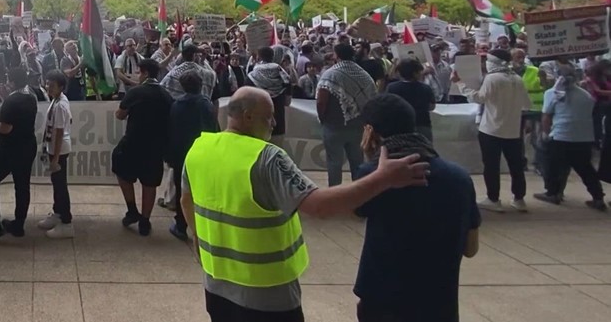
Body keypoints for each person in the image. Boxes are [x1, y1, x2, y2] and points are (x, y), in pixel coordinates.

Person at [181, 87, 431, 322]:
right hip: (267, 294)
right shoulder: (267, 157)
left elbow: (186, 200)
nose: (274, 123)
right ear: (247, 117)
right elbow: (318, 206)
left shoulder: (199, 148)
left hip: (216, 285)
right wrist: (382, 178)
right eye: (269, 117)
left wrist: (199, 241)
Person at [352, 94, 480, 322]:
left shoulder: (374, 177)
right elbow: (471, 249)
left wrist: (369, 160)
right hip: (440, 304)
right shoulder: (459, 177)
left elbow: (356, 209)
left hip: (384, 301)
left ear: (370, 131)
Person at [454, 49, 532, 213]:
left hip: (491, 129)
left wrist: (461, 84)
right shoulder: (517, 79)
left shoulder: (492, 78)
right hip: (513, 130)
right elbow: (527, 104)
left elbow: (479, 98)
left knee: (491, 166)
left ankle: (493, 198)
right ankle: (519, 198)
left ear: (493, 62)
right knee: (516, 165)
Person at [110, 57, 173, 236]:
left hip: (133, 143)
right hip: (156, 146)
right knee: (150, 183)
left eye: (139, 72)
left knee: (121, 170)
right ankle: (145, 221)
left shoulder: (136, 92)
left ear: (144, 73)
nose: (137, 75)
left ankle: (132, 210)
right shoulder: (165, 94)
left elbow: (120, 115)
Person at [533, 63, 607, 210]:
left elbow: (546, 117)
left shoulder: (553, 93)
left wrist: (545, 134)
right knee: (586, 169)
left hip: (561, 135)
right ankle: (598, 197)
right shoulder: (585, 95)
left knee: (553, 167)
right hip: (583, 137)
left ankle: (553, 193)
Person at [0, 67, 39, 241]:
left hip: (11, 149)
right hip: (28, 145)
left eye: (8, 80)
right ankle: (18, 225)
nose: (5, 82)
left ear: (12, 82)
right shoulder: (31, 95)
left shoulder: (13, 101)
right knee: (22, 186)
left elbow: (6, 128)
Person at [167, 70, 218, 242]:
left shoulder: (176, 105)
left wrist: (170, 155)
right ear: (201, 85)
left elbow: (172, 132)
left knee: (183, 190)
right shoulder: (206, 104)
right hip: (202, 153)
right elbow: (212, 130)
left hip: (182, 153)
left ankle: (181, 225)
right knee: (203, 190)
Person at [316, 43, 376, 186]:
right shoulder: (363, 74)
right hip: (358, 126)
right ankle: (358, 196)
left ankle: (335, 196)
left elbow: (321, 101)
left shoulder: (330, 74)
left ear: (337, 55)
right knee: (357, 161)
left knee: (334, 163)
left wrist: (322, 118)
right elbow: (373, 98)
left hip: (334, 126)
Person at [38, 70, 75, 239]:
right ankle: (58, 213)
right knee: (56, 183)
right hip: (54, 149)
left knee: (60, 186)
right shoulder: (56, 100)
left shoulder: (61, 105)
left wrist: (55, 158)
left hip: (59, 151)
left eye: (52, 85)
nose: (48, 87)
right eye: (47, 84)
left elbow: (59, 133)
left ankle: (66, 222)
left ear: (61, 87)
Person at [512, 48, 548, 174]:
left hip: (536, 109)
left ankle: (539, 165)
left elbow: (546, 88)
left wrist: (544, 79)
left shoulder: (535, 71)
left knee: (538, 139)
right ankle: (521, 164)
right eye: (517, 57)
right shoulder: (508, 73)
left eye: (522, 56)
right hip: (516, 110)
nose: (520, 60)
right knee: (517, 140)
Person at [386, 57, 437, 143]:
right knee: (425, 151)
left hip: (399, 126)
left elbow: (388, 106)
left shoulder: (392, 88)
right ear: (415, 73)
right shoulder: (425, 88)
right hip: (422, 124)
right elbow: (432, 106)